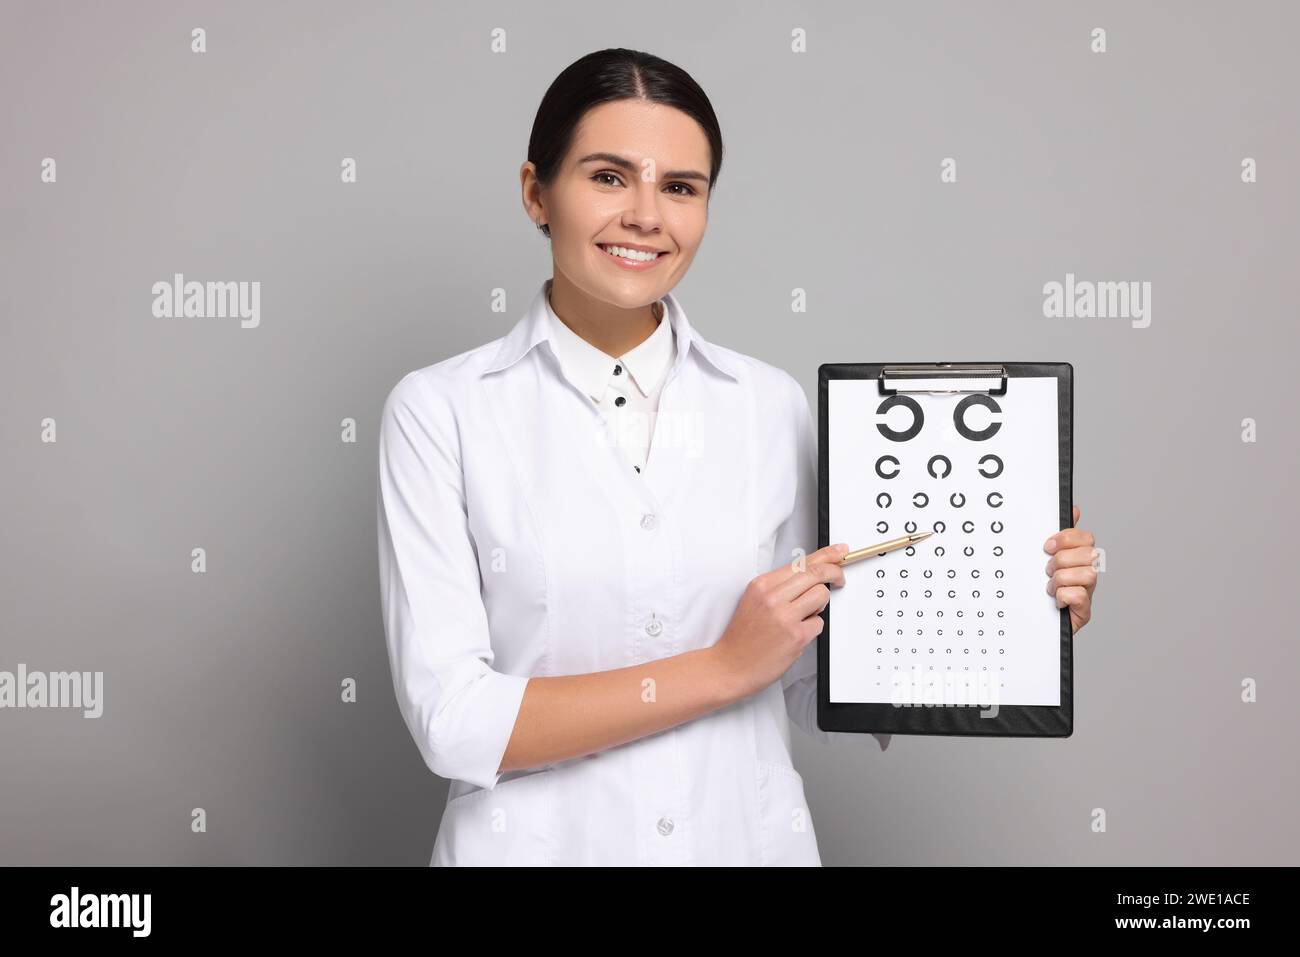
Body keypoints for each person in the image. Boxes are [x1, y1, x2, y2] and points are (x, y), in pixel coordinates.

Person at [376, 48, 1099, 866]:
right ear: (536, 192)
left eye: (680, 187)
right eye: (610, 177)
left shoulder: (767, 404)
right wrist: (723, 668)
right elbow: (455, 721)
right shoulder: (442, 410)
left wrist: (1010, 608)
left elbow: (817, 682)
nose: (648, 215)